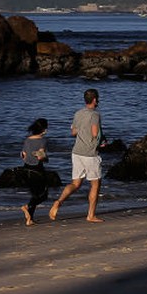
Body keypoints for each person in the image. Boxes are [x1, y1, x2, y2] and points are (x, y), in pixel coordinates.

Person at [48, 88, 104, 223]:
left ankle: (58, 201)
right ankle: (91, 215)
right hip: (90, 153)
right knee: (95, 185)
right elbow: (95, 134)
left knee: (76, 183)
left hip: (77, 152)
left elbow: (73, 132)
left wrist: (83, 130)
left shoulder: (78, 113)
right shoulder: (95, 115)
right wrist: (102, 142)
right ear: (95, 100)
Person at [19, 117, 49, 226]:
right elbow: (41, 157)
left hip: (26, 168)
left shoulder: (27, 140)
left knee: (34, 194)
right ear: (43, 129)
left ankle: (29, 219)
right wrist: (46, 158)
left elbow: (24, 155)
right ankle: (26, 207)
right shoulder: (43, 141)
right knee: (43, 194)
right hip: (37, 169)